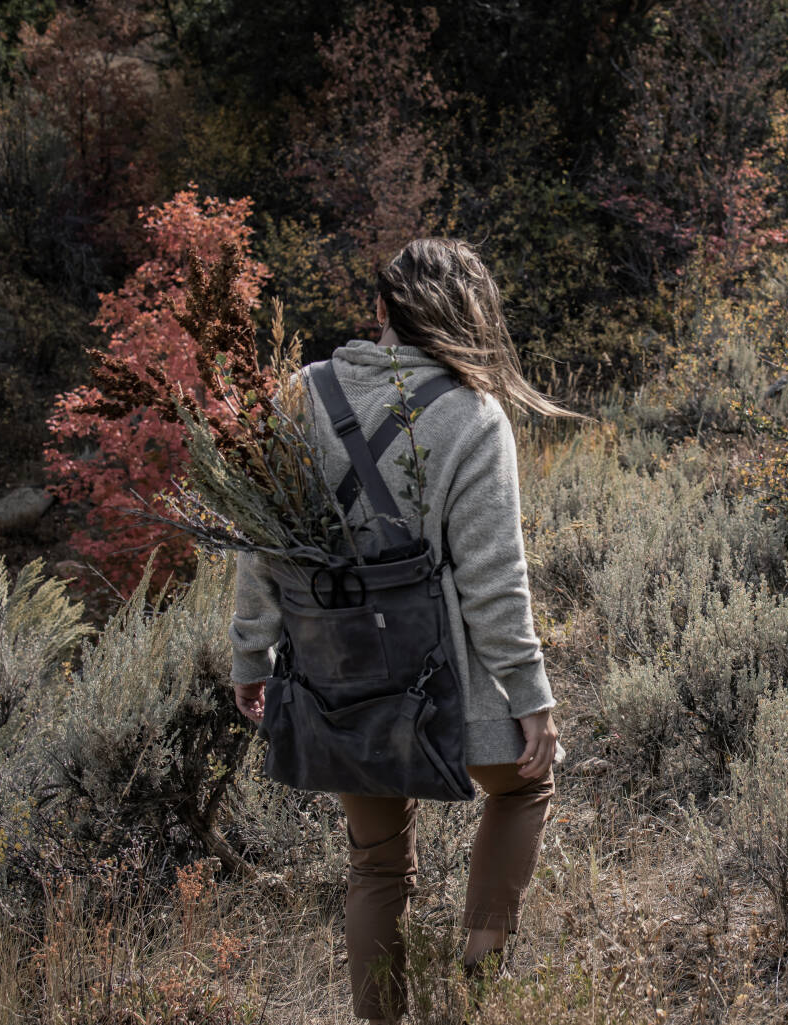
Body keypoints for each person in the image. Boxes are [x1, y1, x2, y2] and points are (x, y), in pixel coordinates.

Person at [226, 238, 575, 1023]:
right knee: (527, 785)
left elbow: (262, 545)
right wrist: (531, 695)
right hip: (441, 675)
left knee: (377, 863)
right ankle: (479, 987)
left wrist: (253, 653)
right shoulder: (475, 413)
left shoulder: (298, 393)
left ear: (380, 310)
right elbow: (493, 579)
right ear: (471, 316)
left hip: (337, 669)